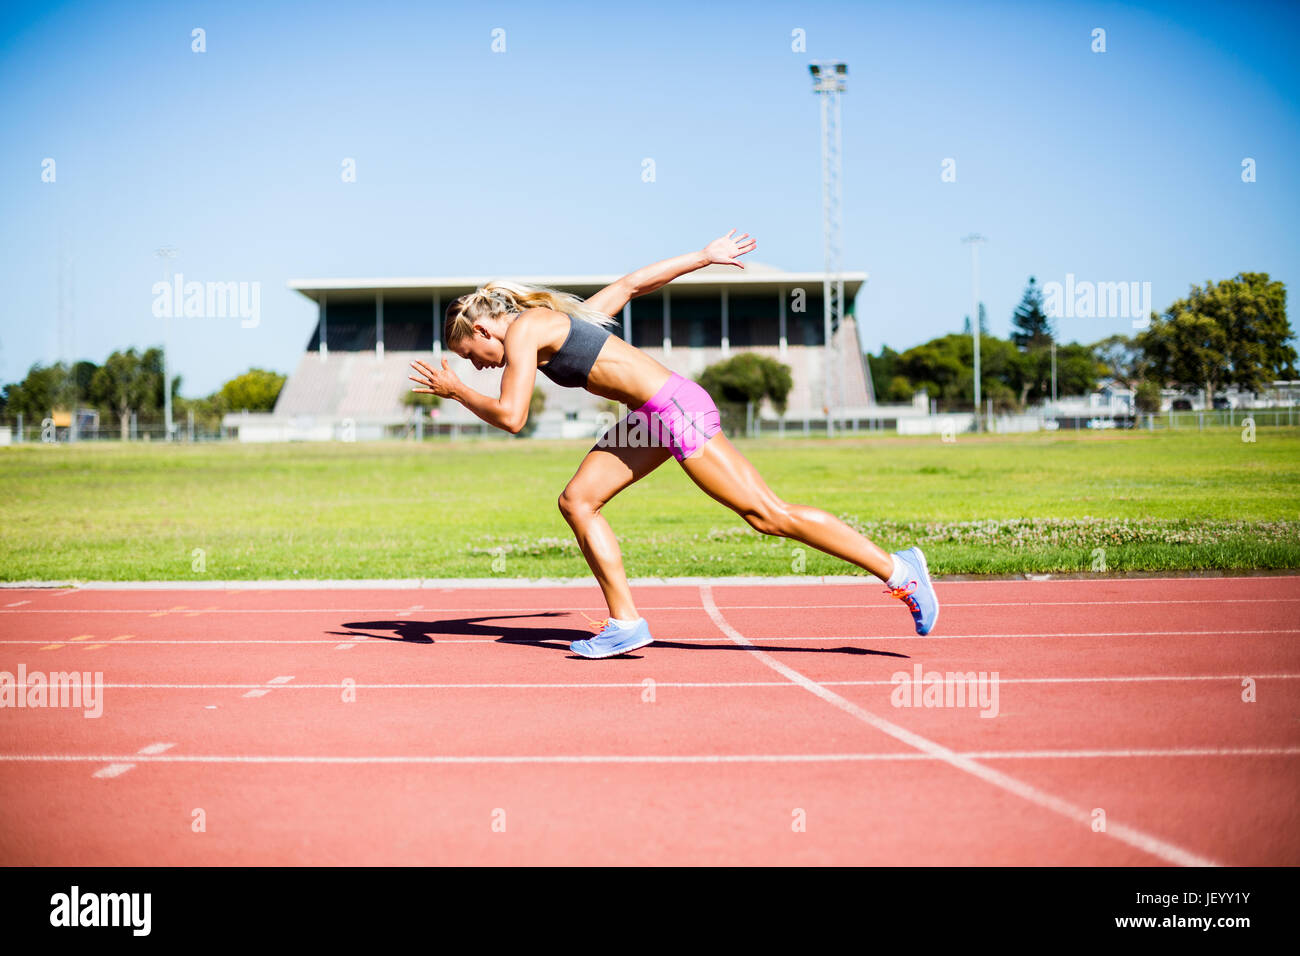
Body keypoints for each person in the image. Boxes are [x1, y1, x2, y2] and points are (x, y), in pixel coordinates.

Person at [409, 230, 938, 658]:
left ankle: (899, 570)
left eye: (471, 353)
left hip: (675, 410)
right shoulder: (556, 323)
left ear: (482, 327)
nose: (477, 364)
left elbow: (512, 416)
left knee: (766, 514)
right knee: (577, 500)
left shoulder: (525, 328)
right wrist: (704, 256)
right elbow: (634, 284)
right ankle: (625, 623)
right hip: (651, 418)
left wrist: (456, 391)